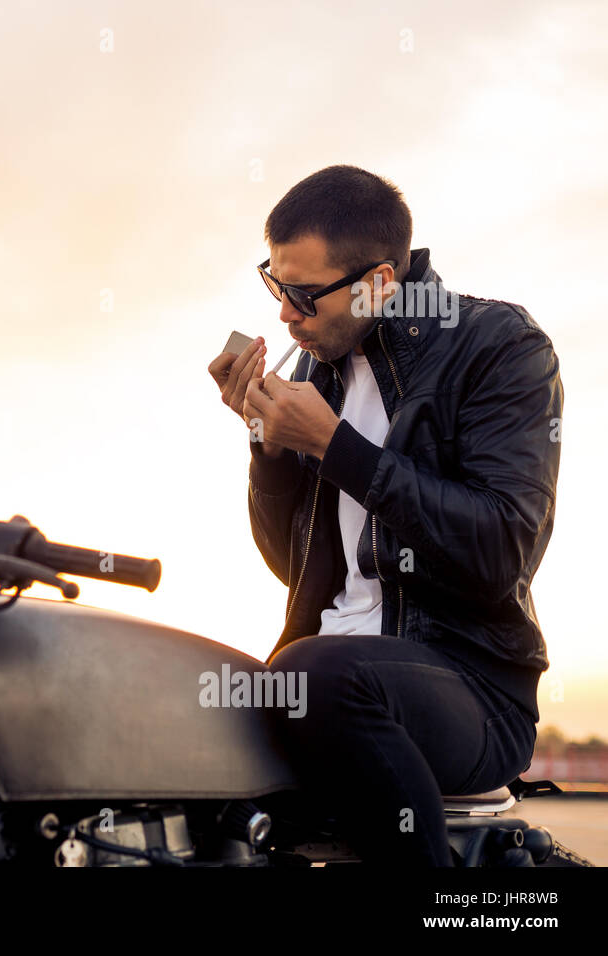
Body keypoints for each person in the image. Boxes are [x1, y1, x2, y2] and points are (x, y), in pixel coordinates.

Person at [207, 164, 562, 866]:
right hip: (328, 667)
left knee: (316, 676)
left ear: (378, 282)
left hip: (472, 687)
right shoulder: (319, 372)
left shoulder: (498, 345)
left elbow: (501, 552)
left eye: (304, 294)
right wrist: (269, 447)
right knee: (184, 693)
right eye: (276, 285)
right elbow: (295, 568)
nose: (285, 315)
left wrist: (336, 448)